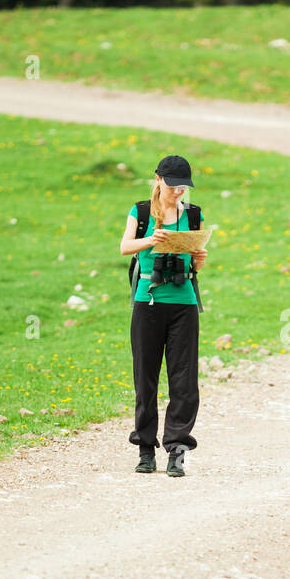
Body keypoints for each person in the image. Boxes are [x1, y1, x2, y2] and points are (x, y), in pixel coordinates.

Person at [120, 155, 208, 477]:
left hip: (184, 304)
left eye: (183, 187)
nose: (177, 192)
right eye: (172, 185)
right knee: (145, 378)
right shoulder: (141, 212)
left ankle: (177, 451)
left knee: (184, 381)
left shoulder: (193, 214)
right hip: (149, 302)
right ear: (158, 179)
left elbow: (196, 267)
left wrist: (199, 258)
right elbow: (124, 246)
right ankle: (146, 450)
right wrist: (151, 240)